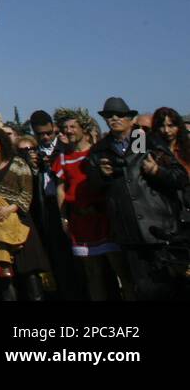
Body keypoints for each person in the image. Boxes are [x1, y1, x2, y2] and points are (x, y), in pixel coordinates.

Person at [88, 96, 187, 300]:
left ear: (130, 118)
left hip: (159, 229)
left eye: (120, 115)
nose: (114, 118)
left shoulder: (145, 140)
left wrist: (157, 170)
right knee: (144, 289)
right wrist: (101, 176)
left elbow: (180, 177)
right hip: (129, 232)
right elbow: (94, 188)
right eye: (109, 115)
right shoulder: (99, 150)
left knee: (174, 287)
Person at [52, 110, 128, 300]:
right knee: (92, 274)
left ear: (83, 129)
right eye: (64, 128)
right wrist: (63, 217)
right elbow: (61, 190)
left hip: (104, 217)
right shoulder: (62, 159)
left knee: (121, 271)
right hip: (80, 219)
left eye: (72, 127)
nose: (68, 131)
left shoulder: (99, 151)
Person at [0, 125, 52, 301]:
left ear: (2, 140)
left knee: (28, 273)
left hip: (19, 222)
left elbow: (27, 192)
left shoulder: (17, 163)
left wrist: (10, 208)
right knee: (1, 277)